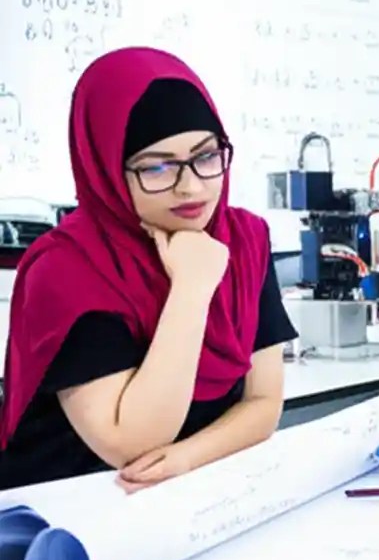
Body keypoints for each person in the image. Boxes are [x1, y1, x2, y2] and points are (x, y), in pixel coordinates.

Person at [0, 46, 296, 493]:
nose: (191, 186)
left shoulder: (245, 240)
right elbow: (132, 444)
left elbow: (264, 401)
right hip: (59, 512)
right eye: (156, 167)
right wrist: (192, 289)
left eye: (206, 156)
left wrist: (186, 458)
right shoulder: (67, 270)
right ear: (106, 168)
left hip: (177, 497)